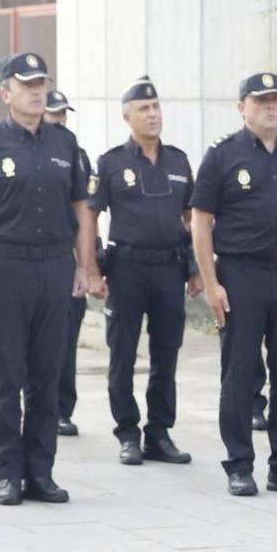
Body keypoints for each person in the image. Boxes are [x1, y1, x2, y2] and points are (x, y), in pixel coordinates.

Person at [0, 52, 103, 506]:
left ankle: (41, 471)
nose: (37, 91)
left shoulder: (65, 142)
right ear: (6, 93)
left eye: (41, 83)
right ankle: (9, 473)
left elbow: (82, 210)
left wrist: (84, 265)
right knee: (8, 373)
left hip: (54, 266)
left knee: (47, 373)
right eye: (27, 84)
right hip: (4, 268)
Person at [192, 71, 277, 497]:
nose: (270, 106)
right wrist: (211, 282)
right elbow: (201, 220)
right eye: (261, 99)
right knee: (240, 372)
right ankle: (240, 464)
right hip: (240, 275)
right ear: (241, 107)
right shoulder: (222, 155)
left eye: (276, 99)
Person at [93, 77, 199, 466]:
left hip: (169, 269)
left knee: (167, 352)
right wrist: (91, 268)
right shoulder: (111, 163)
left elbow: (192, 219)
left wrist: (196, 268)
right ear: (127, 116)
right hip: (127, 269)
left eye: (156, 108)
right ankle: (127, 432)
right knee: (122, 352)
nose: (153, 115)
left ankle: (159, 432)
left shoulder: (178, 160)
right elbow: (89, 216)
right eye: (143, 109)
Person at [43, 88, 90, 438]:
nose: (60, 121)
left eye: (63, 115)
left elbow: (85, 214)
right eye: (53, 114)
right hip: (33, 261)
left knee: (66, 342)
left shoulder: (76, 154)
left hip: (68, 263)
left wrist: (87, 265)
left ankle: (63, 408)